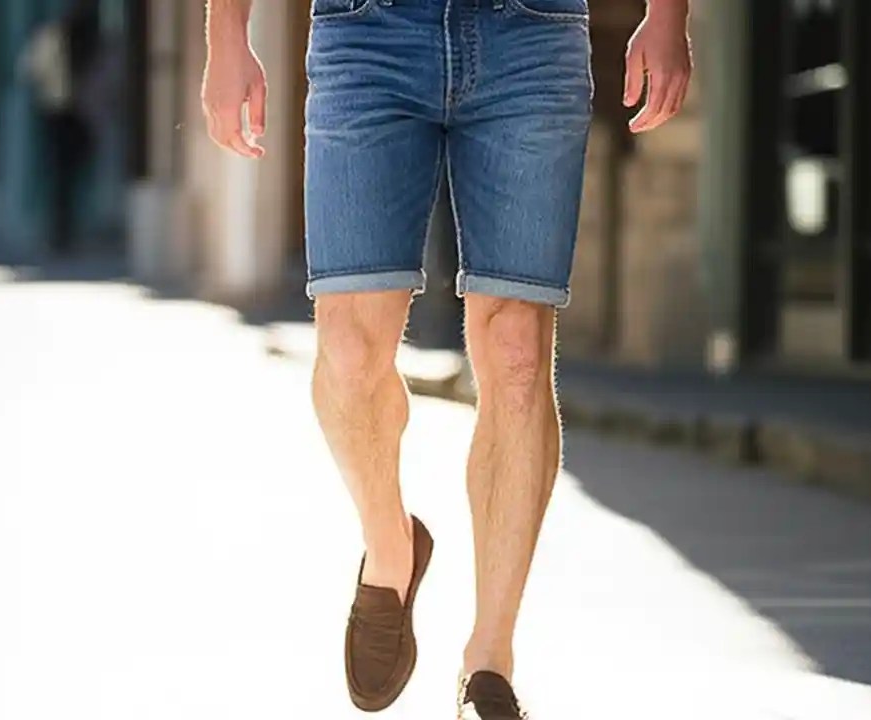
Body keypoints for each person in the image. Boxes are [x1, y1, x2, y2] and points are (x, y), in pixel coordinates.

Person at [201, 0, 692, 716]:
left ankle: (488, 664)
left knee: (518, 351)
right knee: (347, 348)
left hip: (533, 32)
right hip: (366, 33)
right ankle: (391, 546)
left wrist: (668, 15)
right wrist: (226, 35)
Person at [19, 0, 102, 257]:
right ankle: (60, 232)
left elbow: (27, 70)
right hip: (58, 111)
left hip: (72, 112)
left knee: (68, 171)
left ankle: (66, 230)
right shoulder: (54, 37)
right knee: (61, 172)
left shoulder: (83, 39)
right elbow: (29, 69)